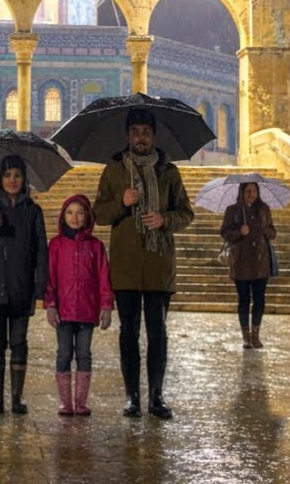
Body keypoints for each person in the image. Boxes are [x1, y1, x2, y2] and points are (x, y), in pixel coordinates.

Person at [93, 108, 194, 419]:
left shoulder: (168, 171)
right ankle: (132, 397)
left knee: (158, 332)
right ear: (127, 136)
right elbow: (99, 214)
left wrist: (165, 219)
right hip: (125, 266)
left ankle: (157, 396)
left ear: (154, 137)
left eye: (145, 133)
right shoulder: (113, 171)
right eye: (135, 132)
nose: (140, 138)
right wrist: (121, 204)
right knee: (129, 333)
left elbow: (186, 213)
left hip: (158, 264)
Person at [0, 154, 48, 414]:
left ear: (24, 179)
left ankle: (17, 397)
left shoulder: (33, 211)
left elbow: (41, 250)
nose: (12, 180)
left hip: (22, 286)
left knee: (18, 341)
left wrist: (40, 284)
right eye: (7, 175)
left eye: (17, 175)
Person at [43, 194, 113, 416]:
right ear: (63, 216)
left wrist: (106, 306)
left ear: (87, 217)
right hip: (63, 312)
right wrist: (50, 305)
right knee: (63, 354)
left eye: (80, 212)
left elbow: (104, 278)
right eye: (70, 212)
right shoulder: (55, 245)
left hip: (87, 311)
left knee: (84, 354)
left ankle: (80, 402)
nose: (75, 217)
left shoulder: (96, 246)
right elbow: (50, 278)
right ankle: (65, 402)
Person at [220, 182, 278, 349]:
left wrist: (267, 231)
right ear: (242, 192)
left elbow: (273, 233)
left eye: (254, 191)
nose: (251, 194)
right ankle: (245, 336)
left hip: (261, 261)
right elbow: (224, 232)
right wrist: (240, 232)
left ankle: (255, 334)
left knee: (259, 299)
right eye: (248, 191)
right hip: (241, 262)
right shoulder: (233, 210)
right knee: (244, 298)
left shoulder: (264, 209)